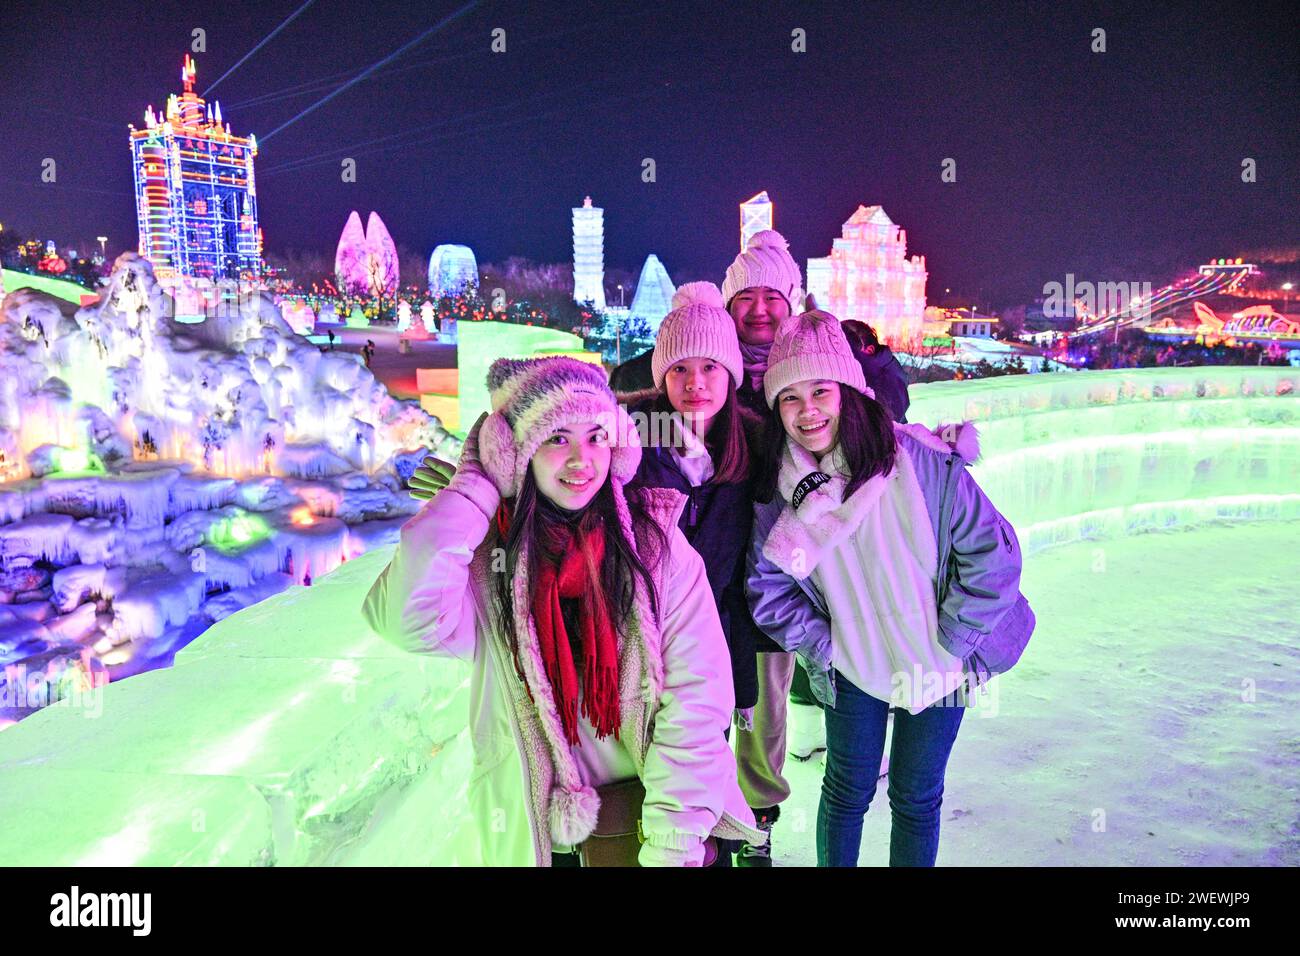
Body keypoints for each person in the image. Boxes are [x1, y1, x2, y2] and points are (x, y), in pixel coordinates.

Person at [363, 356, 766, 866]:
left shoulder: (655, 545)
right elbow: (405, 620)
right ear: (512, 454)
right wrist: (473, 492)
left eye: (597, 436)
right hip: (536, 838)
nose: (582, 459)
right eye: (556, 438)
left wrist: (673, 842)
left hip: (654, 827)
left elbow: (697, 700)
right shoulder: (489, 565)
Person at [746, 308, 1032, 866]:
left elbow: (991, 557)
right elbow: (768, 588)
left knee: (917, 797)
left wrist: (953, 642)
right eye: (789, 398)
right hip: (853, 668)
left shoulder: (920, 461)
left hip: (942, 663)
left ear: (848, 389)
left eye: (820, 390)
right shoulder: (781, 491)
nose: (807, 412)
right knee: (847, 793)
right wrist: (827, 649)